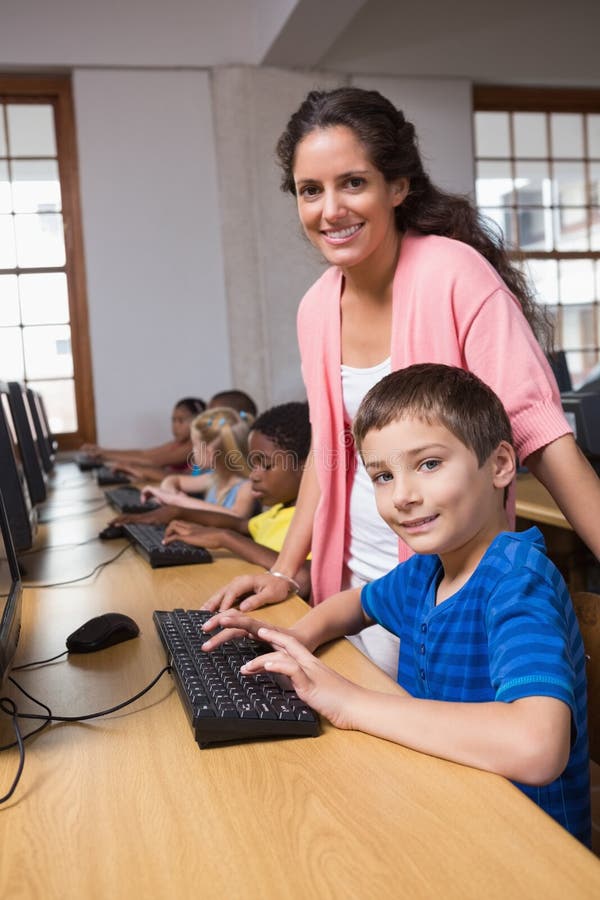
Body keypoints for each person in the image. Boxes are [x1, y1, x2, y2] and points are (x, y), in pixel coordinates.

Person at [206, 86, 600, 654]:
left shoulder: (454, 274)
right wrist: (287, 572)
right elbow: (328, 448)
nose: (330, 209)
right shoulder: (316, 307)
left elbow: (542, 435)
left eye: (353, 183)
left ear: (397, 186)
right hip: (344, 594)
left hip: (443, 596)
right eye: (310, 190)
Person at [201, 365, 591, 847]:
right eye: (383, 476)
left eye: (428, 464)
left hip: (522, 844)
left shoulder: (516, 581)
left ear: (500, 464)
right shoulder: (425, 571)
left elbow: (537, 747)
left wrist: (350, 702)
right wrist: (295, 640)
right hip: (441, 806)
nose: (402, 496)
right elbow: (354, 604)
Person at [160, 402, 311, 591]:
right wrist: (179, 512)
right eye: (253, 464)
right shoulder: (279, 511)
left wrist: (225, 538)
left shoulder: (314, 521)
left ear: (305, 467)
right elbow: (239, 524)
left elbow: (303, 575)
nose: (254, 475)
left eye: (265, 465)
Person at [140, 406, 257, 518]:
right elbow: (173, 479)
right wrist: (170, 493)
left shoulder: (246, 486)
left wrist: (177, 500)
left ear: (210, 453)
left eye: (195, 445)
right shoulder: (214, 477)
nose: (192, 450)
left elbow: (236, 516)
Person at [80, 396, 206, 481]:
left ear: (198, 422)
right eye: (173, 420)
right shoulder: (177, 444)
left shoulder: (192, 447)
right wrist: (103, 453)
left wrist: (134, 468)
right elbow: (144, 453)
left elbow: (154, 461)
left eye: (180, 421)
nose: (175, 426)